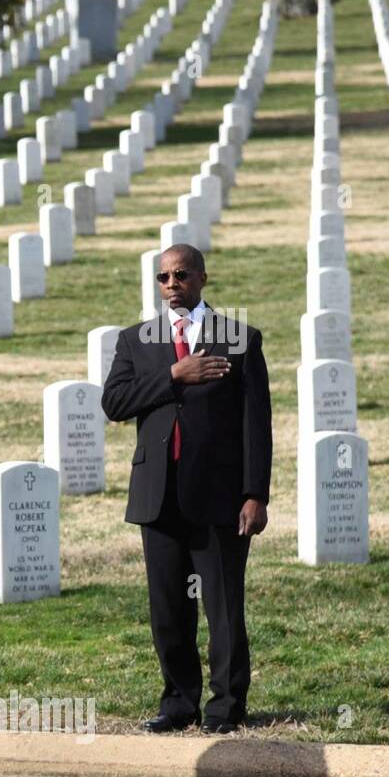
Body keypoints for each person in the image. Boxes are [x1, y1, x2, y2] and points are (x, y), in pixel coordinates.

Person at [101, 244, 271, 734]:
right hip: (158, 496)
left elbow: (256, 425)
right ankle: (178, 703)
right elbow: (114, 402)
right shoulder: (136, 341)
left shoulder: (238, 339)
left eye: (181, 275)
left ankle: (225, 706)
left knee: (222, 608)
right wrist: (175, 374)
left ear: (201, 278)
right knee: (169, 609)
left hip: (219, 496)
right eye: (163, 277)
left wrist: (255, 494)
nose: (171, 284)